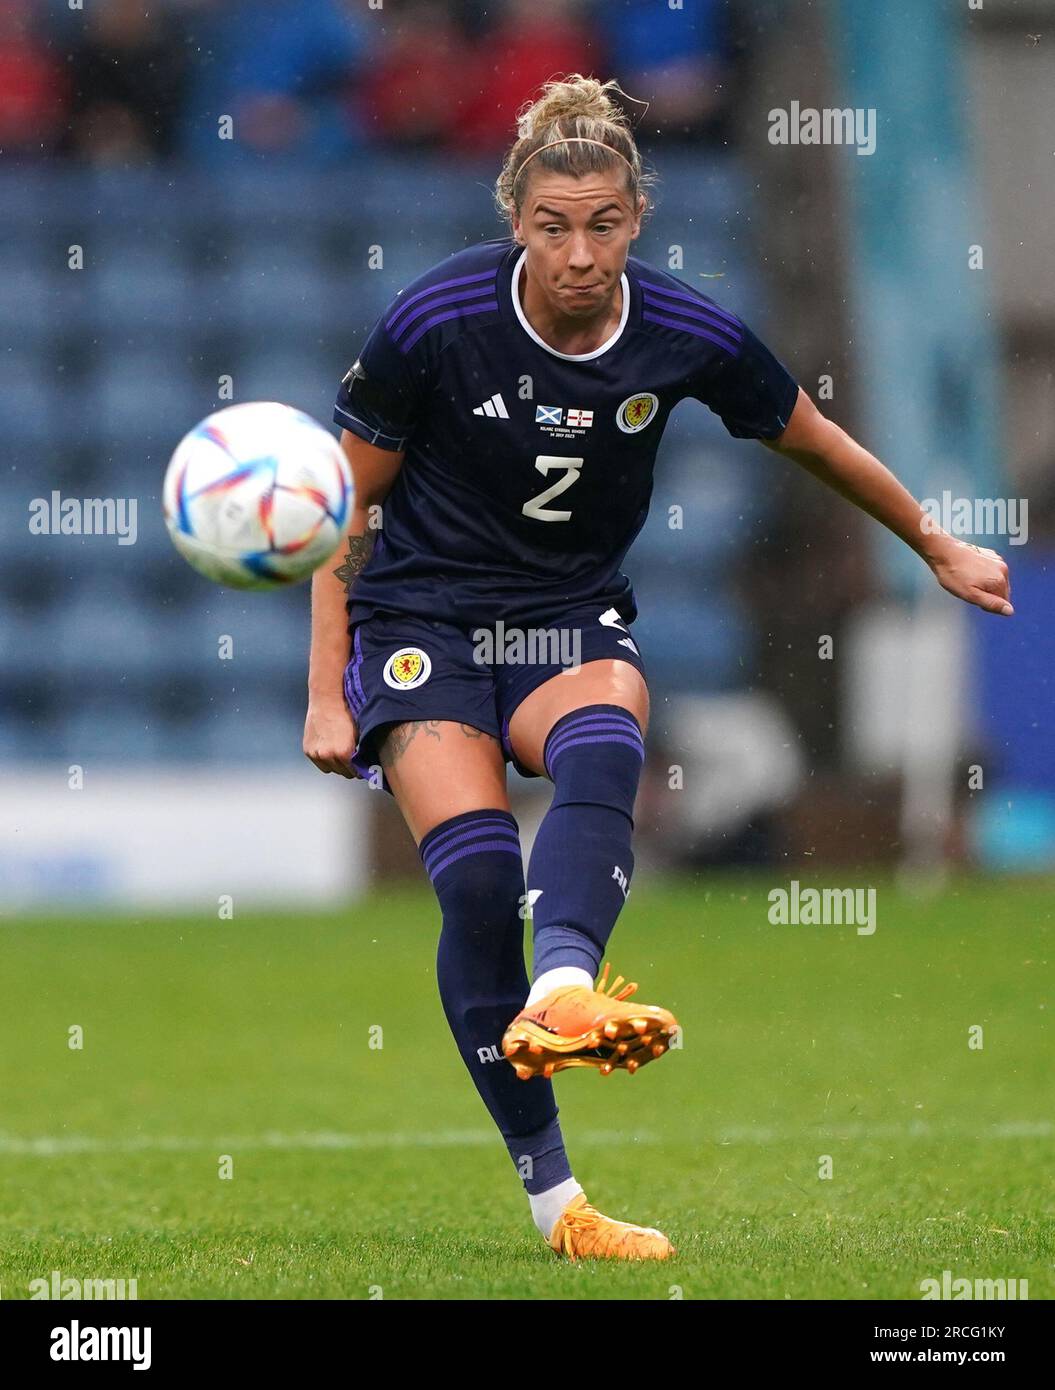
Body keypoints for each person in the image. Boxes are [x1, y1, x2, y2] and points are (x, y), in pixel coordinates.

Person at [303, 75, 1012, 1263]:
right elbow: (343, 511)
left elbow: (816, 441)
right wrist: (326, 688)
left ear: (637, 217)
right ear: (513, 221)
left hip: (566, 613)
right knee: (476, 888)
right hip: (419, 619)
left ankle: (565, 984)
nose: (578, 252)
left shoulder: (687, 332)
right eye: (551, 227)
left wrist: (930, 537)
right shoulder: (433, 322)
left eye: (603, 225)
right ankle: (558, 1207)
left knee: (606, 727)